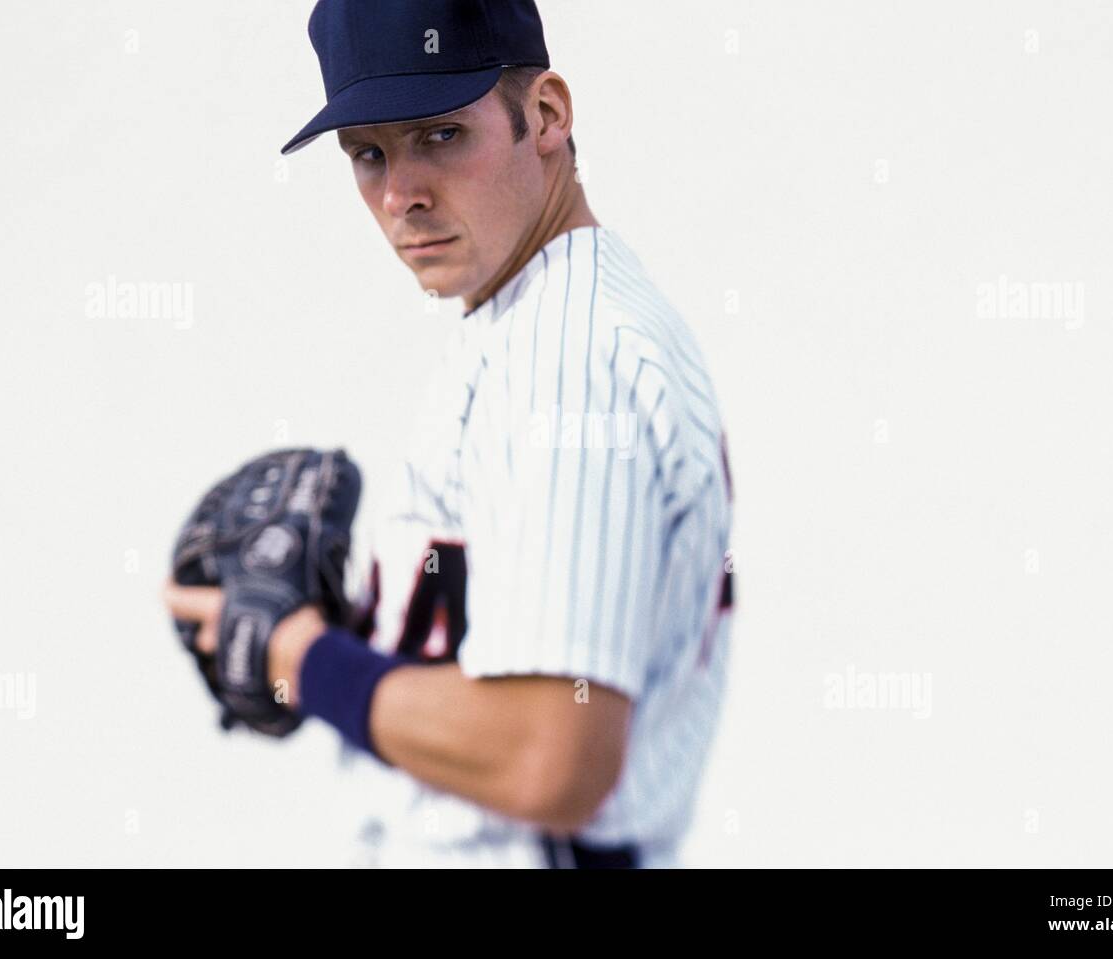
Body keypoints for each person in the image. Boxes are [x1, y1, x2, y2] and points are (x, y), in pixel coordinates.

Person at [164, 0, 734, 868]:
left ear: (545, 116)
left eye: (438, 135)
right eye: (369, 153)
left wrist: (304, 657)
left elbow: (552, 758)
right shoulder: (530, 323)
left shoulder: (567, 363)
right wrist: (354, 633)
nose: (401, 194)